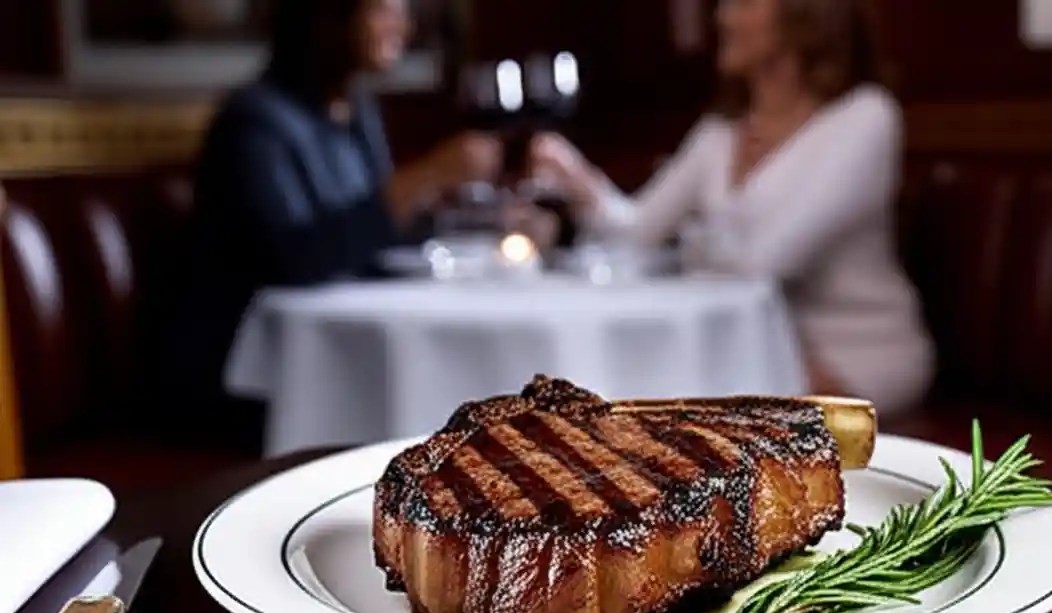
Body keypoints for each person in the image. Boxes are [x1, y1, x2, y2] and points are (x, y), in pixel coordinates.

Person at [531, 0, 934, 419]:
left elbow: (766, 259)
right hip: (748, 342)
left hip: (857, 349)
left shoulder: (866, 117)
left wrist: (685, 245)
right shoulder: (720, 131)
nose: (723, 18)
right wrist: (575, 178)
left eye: (742, 4)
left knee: (692, 408)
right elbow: (636, 231)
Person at [168, 0, 499, 417]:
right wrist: (427, 175)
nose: (403, 26)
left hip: (346, 355)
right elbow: (297, 257)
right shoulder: (253, 121)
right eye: (384, 11)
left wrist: (489, 222)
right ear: (329, 19)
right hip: (255, 378)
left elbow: (380, 232)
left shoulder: (356, 108)